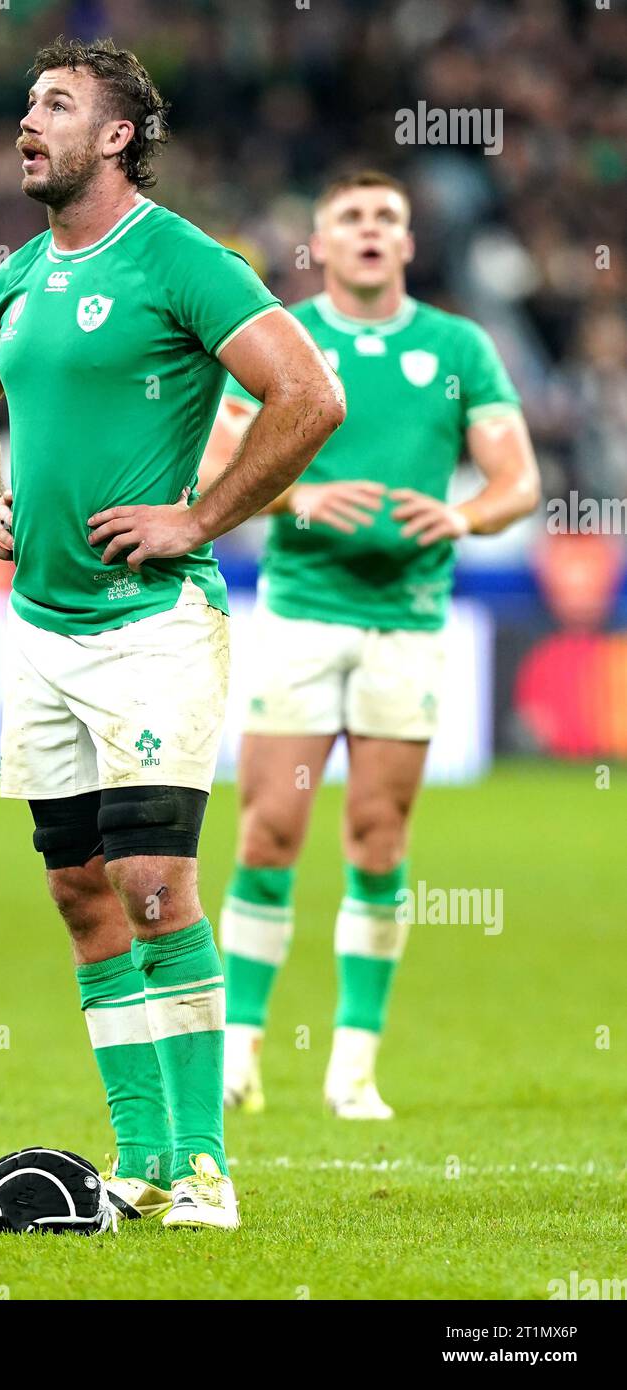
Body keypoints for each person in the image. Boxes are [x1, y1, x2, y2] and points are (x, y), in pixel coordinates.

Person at [0, 37, 344, 1228]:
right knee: (80, 894)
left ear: (116, 137)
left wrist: (200, 516)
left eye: (53, 105)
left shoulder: (181, 258)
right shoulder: (15, 277)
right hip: (38, 632)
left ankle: (207, 1168)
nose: (26, 121)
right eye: (23, 103)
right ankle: (144, 1160)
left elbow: (309, 394)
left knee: (157, 883)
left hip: (151, 626)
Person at [200, 171, 540, 1119]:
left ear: (407, 242)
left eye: (387, 217)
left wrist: (464, 516)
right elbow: (215, 471)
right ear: (320, 240)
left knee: (379, 841)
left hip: (408, 625)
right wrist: (299, 496)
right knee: (269, 831)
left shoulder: (458, 346)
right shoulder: (282, 342)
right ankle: (241, 1051)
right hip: (303, 616)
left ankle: (353, 1065)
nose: (370, 230)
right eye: (350, 217)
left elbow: (517, 481)